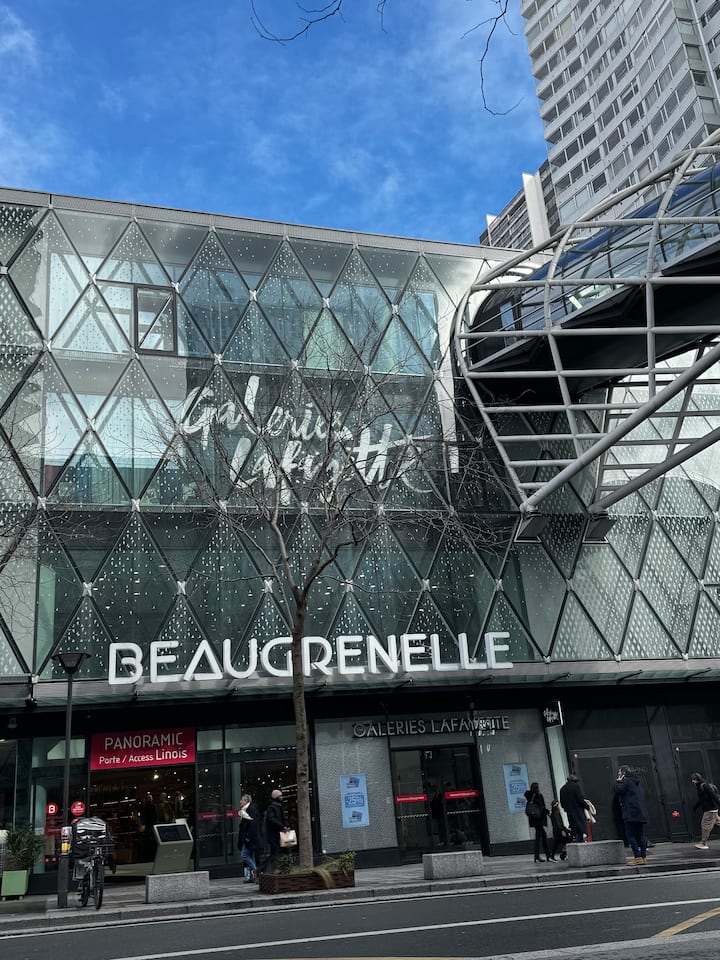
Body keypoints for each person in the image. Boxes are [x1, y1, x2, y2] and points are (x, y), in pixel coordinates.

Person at [614, 765, 648, 865]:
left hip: (631, 813)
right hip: (640, 813)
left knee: (630, 835)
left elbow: (618, 790)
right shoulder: (636, 781)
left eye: (619, 773)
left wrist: (618, 781)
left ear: (623, 773)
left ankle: (637, 857)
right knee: (641, 835)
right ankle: (643, 857)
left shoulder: (626, 781)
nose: (618, 774)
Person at [524, 781, 553, 862]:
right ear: (537, 788)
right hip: (539, 819)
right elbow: (542, 807)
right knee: (542, 836)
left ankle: (538, 856)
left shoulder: (530, 796)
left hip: (534, 819)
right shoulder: (539, 796)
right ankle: (547, 856)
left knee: (540, 837)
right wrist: (548, 812)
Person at [690, 772, 720, 850]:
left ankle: (703, 843)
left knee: (705, 825)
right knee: (718, 821)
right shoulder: (701, 786)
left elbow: (714, 796)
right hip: (712, 809)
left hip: (710, 809)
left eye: (693, 780)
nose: (692, 782)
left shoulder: (704, 786)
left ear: (696, 780)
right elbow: (701, 799)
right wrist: (695, 807)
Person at [237, 793, 262, 883]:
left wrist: (248, 837)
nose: (240, 802)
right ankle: (252, 876)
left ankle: (256, 871)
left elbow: (253, 825)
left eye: (242, 800)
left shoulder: (250, 810)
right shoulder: (247, 809)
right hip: (250, 838)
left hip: (250, 838)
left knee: (244, 855)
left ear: (246, 801)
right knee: (250, 855)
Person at [559, 774, 588, 843]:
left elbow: (562, 802)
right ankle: (580, 843)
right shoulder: (576, 787)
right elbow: (580, 799)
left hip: (569, 812)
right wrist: (586, 806)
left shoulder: (562, 789)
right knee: (580, 828)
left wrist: (566, 809)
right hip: (578, 811)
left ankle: (575, 843)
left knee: (574, 828)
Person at [265, 788, 286, 869]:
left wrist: (285, 826)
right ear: (276, 797)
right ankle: (271, 869)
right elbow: (272, 819)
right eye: (280, 796)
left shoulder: (279, 806)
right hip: (275, 834)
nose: (281, 797)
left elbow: (283, 818)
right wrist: (282, 826)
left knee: (278, 852)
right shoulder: (272, 807)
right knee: (275, 853)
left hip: (279, 833)